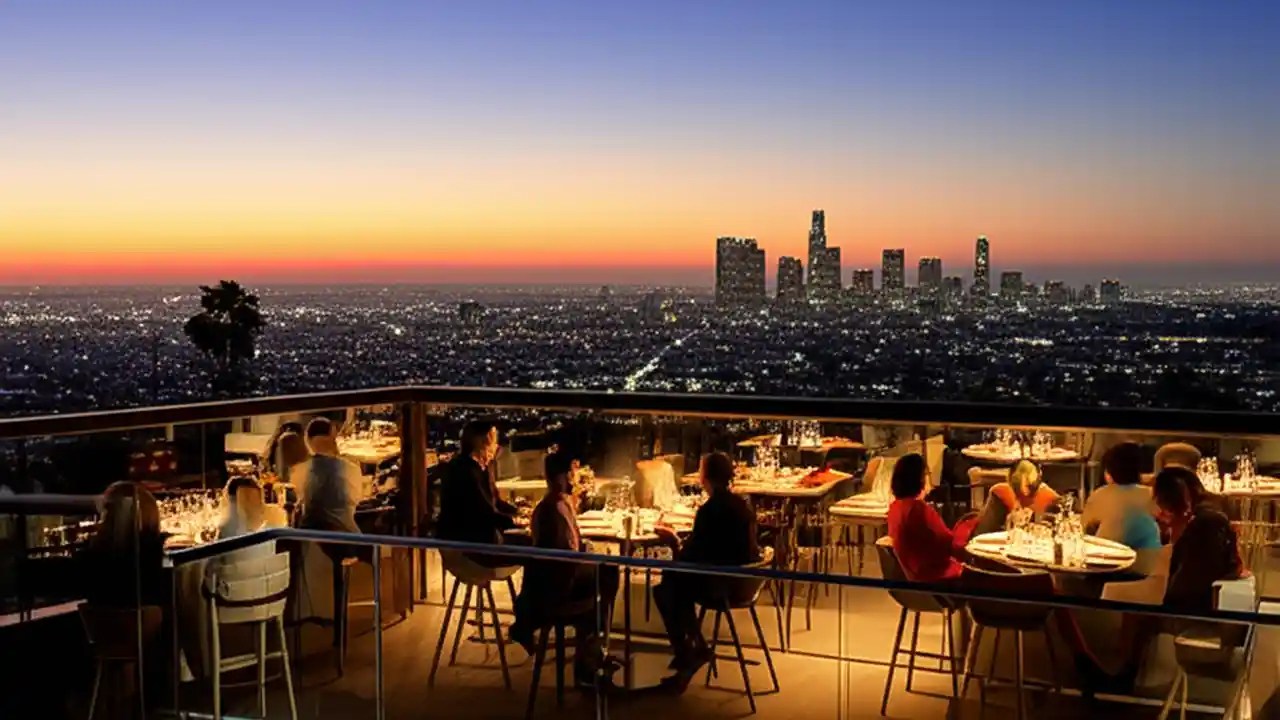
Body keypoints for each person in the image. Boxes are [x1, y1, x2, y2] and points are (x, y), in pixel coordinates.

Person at [1083, 466, 1246, 693]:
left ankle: (1123, 679)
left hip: (1202, 605)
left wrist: (1163, 601)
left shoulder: (1201, 523)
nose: (1159, 512)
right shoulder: (1210, 512)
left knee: (1136, 610)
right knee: (1134, 605)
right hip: (1214, 594)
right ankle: (1126, 673)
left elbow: (1186, 582)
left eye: (1162, 504)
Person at [510, 451, 620, 687]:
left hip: (548, 588)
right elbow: (565, 562)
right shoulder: (557, 509)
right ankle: (592, 652)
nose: (577, 478)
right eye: (573, 472)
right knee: (608, 573)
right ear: (562, 477)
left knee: (602, 575)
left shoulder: (553, 505)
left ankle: (590, 652)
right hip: (556, 593)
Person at [653, 452, 759, 691]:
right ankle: (695, 650)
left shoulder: (710, 512)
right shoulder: (741, 505)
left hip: (721, 585)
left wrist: (673, 542)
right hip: (743, 582)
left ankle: (689, 652)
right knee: (673, 583)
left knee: (666, 589)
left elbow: (690, 558)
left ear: (705, 478)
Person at [437, 420, 518, 563]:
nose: (496, 447)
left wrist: (518, 512)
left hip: (483, 536)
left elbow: (495, 503)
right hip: (470, 545)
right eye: (493, 441)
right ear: (481, 442)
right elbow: (481, 513)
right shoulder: (462, 471)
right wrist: (514, 521)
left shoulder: (484, 468)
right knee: (536, 548)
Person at [1082, 442, 1161, 574]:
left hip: (1108, 567)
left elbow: (1084, 531)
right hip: (1149, 570)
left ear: (1108, 472)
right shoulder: (1152, 495)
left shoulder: (1099, 495)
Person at [887, 453, 962, 583]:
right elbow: (948, 544)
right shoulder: (917, 509)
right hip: (938, 578)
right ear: (920, 478)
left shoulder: (896, 508)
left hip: (917, 576)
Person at [294, 417, 363, 535]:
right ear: (333, 438)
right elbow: (357, 500)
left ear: (307, 441)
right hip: (348, 538)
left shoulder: (298, 471)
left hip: (310, 540)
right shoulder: (352, 469)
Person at [972, 460, 1061, 537]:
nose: (1024, 494)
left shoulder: (1052, 500)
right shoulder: (1000, 494)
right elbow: (981, 534)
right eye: (1017, 490)